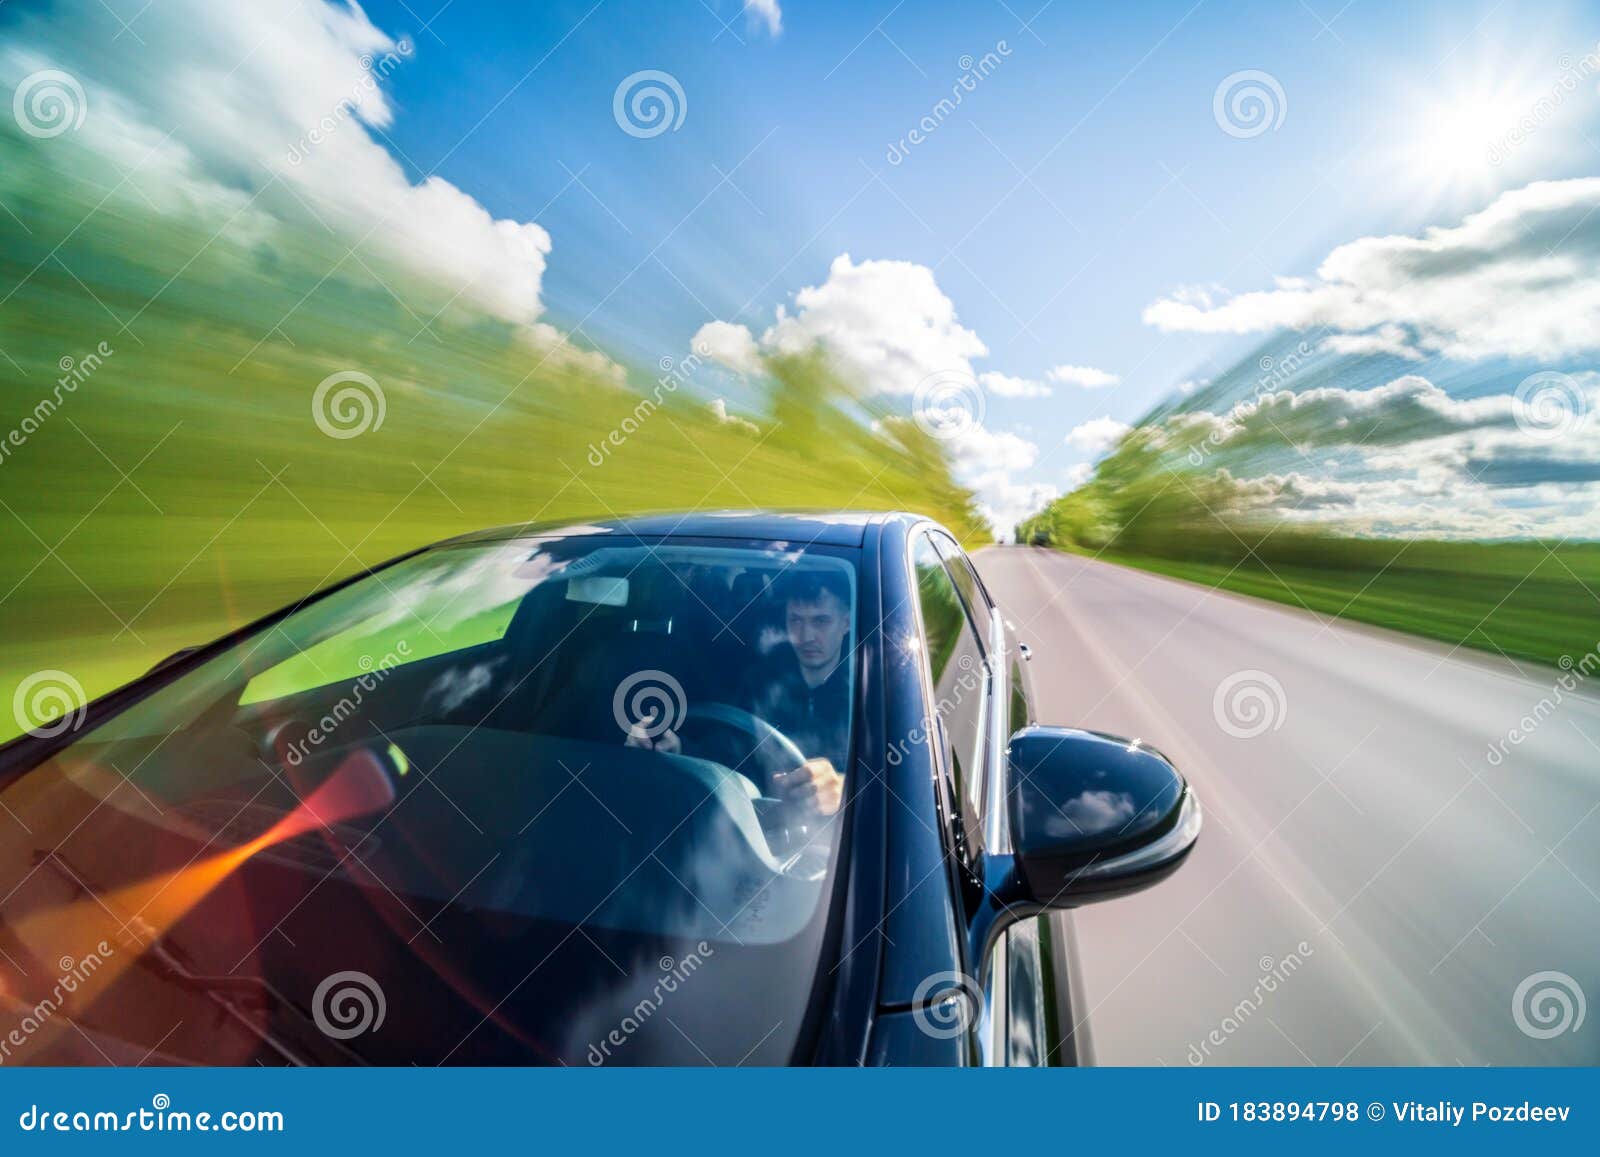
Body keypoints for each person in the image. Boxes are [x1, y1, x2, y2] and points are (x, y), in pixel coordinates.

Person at [626, 568, 849, 819]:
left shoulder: (873, 690)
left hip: (833, 840)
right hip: (751, 827)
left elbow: (893, 780)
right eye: (796, 620)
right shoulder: (762, 679)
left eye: (821, 621)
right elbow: (730, 748)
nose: (807, 636)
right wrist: (679, 749)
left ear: (846, 622)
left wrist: (845, 789)